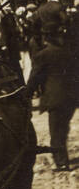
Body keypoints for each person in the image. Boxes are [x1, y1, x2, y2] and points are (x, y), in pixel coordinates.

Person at [26, 30, 78, 171]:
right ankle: (62, 158)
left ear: (45, 39)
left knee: (56, 132)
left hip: (54, 99)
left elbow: (34, 78)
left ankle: (61, 163)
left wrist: (26, 95)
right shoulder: (68, 53)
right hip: (71, 98)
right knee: (62, 129)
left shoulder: (42, 55)